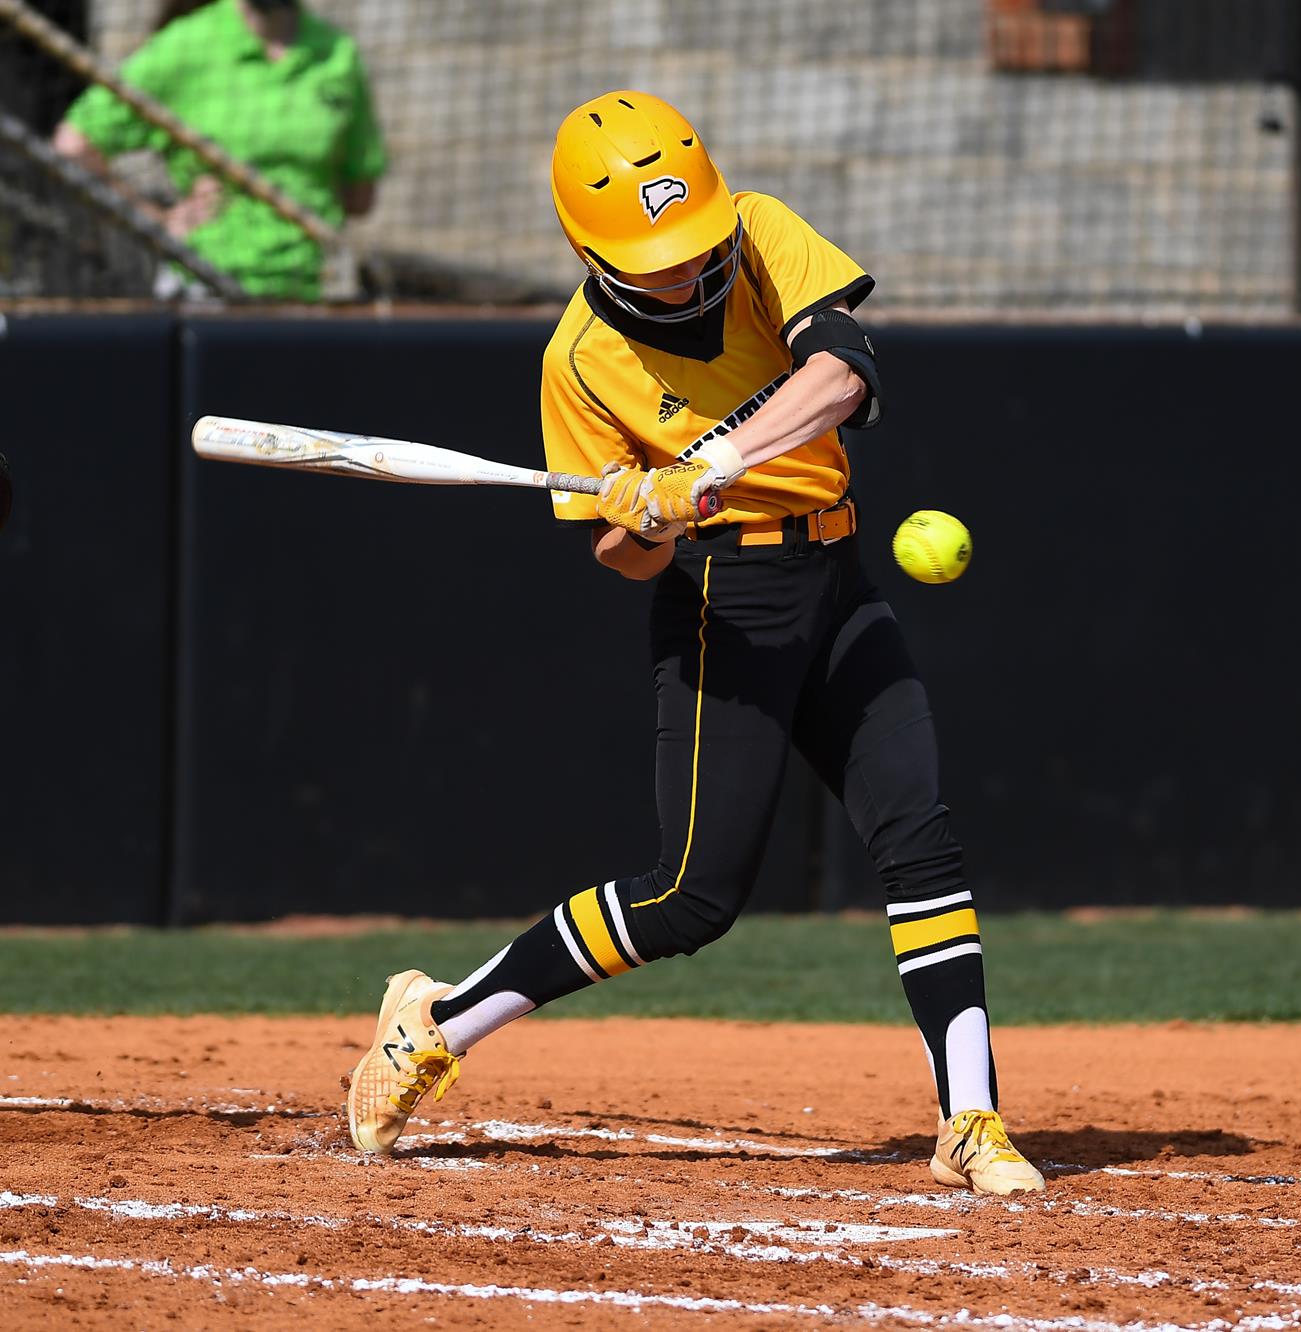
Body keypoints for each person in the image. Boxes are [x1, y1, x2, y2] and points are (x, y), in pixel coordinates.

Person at [342, 90, 1046, 1196]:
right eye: (652, 258)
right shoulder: (576, 361)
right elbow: (616, 558)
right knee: (687, 898)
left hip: (837, 573)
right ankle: (436, 1022)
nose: (681, 272)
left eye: (689, 248)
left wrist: (704, 468)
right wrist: (649, 519)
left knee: (918, 836)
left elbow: (843, 372)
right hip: (727, 602)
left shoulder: (761, 234)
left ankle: (970, 1120)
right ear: (590, 249)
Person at [52, 0, 385, 300]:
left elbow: (360, 195)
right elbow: (74, 146)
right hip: (208, 284)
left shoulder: (337, 52)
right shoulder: (189, 44)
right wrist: (156, 218)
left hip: (310, 291)